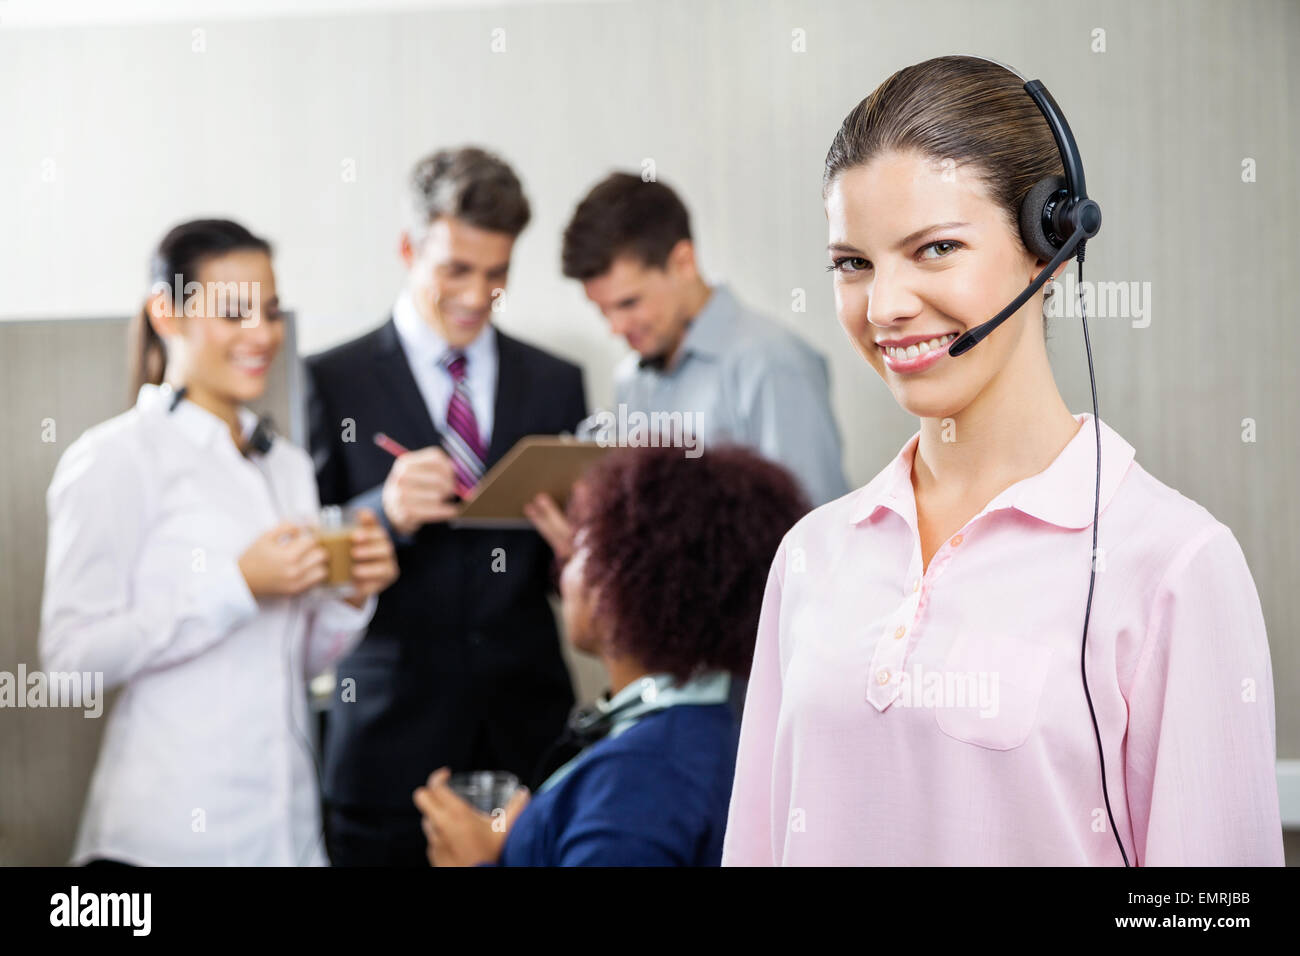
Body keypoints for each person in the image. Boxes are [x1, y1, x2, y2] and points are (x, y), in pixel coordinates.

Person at [722, 55, 1285, 866]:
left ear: (1048, 244)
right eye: (854, 263)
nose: (884, 307)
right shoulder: (811, 555)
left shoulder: (1173, 565)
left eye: (936, 248)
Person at [39, 219, 398, 866]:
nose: (262, 334)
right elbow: (69, 670)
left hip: (287, 832)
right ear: (165, 313)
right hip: (167, 837)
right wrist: (236, 585)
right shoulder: (116, 459)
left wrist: (350, 597)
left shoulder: (286, 465)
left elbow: (295, 663)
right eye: (234, 313)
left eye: (269, 310)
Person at [305, 147, 589, 866]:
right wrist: (381, 510)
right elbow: (303, 555)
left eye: (498, 274)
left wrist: (573, 553)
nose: (477, 295)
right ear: (408, 248)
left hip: (526, 740)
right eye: (456, 270)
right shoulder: (327, 382)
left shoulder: (556, 382)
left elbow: (568, 573)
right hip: (386, 747)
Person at [413, 445, 809, 866]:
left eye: (580, 546)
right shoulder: (731, 719)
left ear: (620, 583)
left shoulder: (636, 786)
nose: (561, 564)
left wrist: (476, 861)